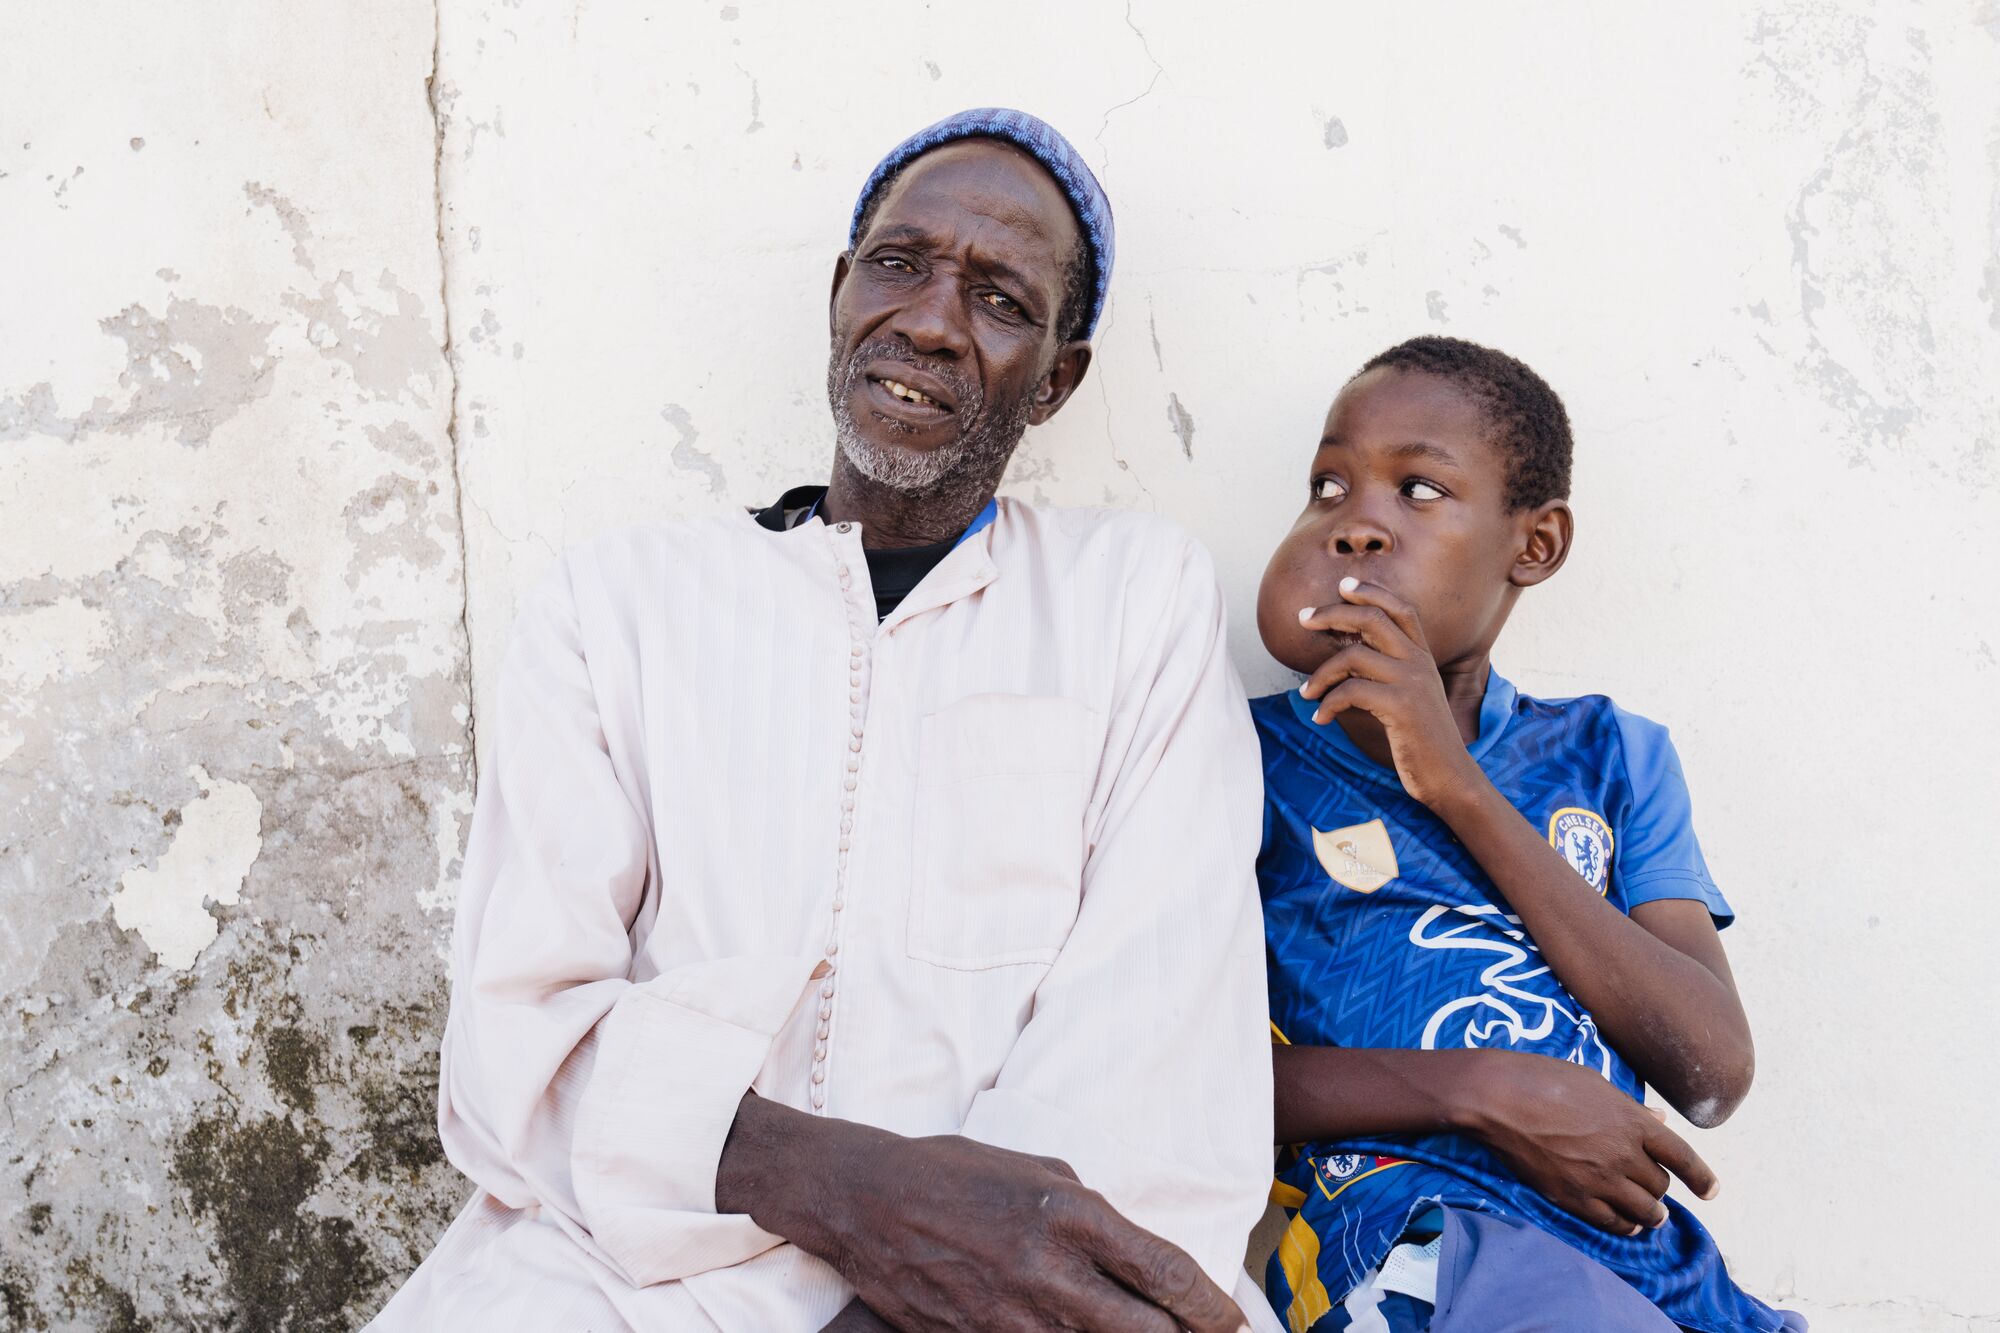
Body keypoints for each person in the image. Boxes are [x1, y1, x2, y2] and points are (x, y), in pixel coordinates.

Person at [366, 108, 1276, 1333]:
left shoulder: (1131, 601)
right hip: (628, 1267)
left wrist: (924, 1286)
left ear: (1056, 381)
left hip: (1020, 1287)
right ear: (841, 293)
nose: (931, 321)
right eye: (899, 264)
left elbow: (1153, 1031)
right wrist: (860, 1196)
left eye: (1000, 299)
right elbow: (520, 1041)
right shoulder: (618, 603)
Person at [1248, 336, 1803, 1331]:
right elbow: (1174, 1076)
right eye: (1326, 485)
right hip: (1401, 1236)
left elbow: (1709, 1070)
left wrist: (1456, 786)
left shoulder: (1609, 754)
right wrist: (1482, 1087)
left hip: (1641, 1261)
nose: (1355, 526)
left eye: (1416, 490)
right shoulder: (1234, 758)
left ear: (1533, 545)